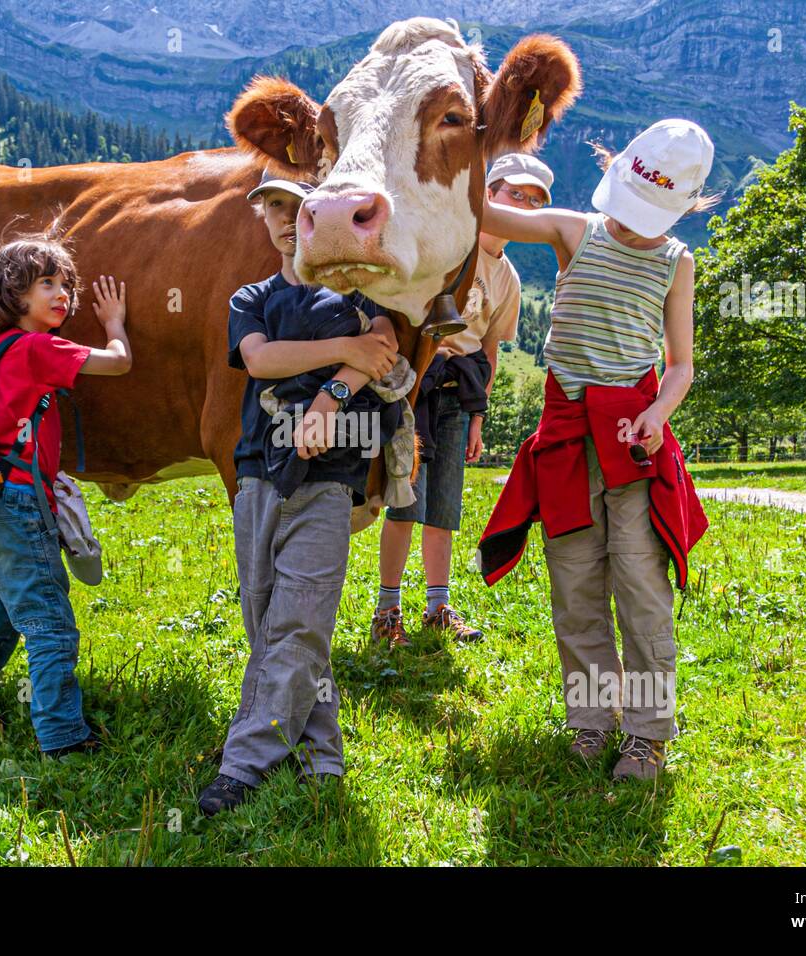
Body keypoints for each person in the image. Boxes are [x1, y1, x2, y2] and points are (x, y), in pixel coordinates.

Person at [477, 120, 716, 781]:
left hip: (633, 445)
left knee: (641, 587)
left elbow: (681, 365)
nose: (639, 228)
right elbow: (480, 210)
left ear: (682, 207)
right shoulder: (571, 231)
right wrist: (465, 144)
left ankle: (646, 735)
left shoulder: (677, 262)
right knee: (576, 584)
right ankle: (590, 720)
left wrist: (659, 413)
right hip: (566, 441)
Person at [198, 169, 400, 815]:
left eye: (298, 205)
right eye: (274, 208)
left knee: (299, 620)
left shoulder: (360, 294)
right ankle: (321, 754)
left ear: (322, 213)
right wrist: (348, 353)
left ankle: (243, 764)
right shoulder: (250, 298)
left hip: (330, 481)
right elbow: (258, 359)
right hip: (258, 471)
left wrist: (329, 396)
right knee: (269, 622)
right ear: (261, 219)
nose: (286, 218)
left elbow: (386, 350)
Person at [0, 233, 132, 757]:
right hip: (20, 505)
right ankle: (63, 738)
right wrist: (114, 325)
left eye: (67, 285)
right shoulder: (38, 347)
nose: (63, 294)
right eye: (47, 283)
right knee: (50, 625)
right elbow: (118, 365)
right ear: (13, 295)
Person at [370, 154, 547, 650]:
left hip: (458, 396)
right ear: (488, 193)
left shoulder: (507, 277)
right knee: (406, 502)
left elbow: (488, 352)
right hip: (420, 389)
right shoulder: (449, 249)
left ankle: (436, 605)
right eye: (515, 194)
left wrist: (477, 418)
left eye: (534, 201)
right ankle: (387, 609)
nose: (524, 205)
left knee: (444, 507)